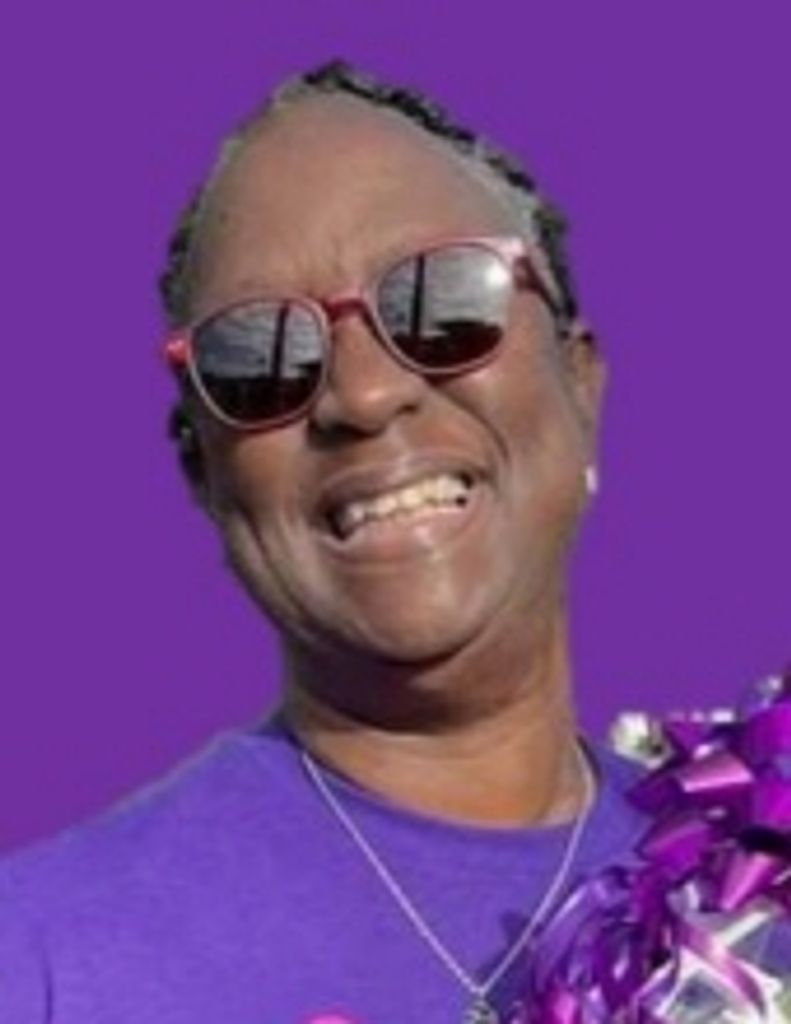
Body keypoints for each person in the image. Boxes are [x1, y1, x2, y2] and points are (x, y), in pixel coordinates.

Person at [0, 61, 787, 1023]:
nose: (366, 396)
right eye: (261, 357)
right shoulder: (39, 960)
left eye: (444, 302)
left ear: (579, 382)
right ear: (205, 477)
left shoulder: (754, 887)